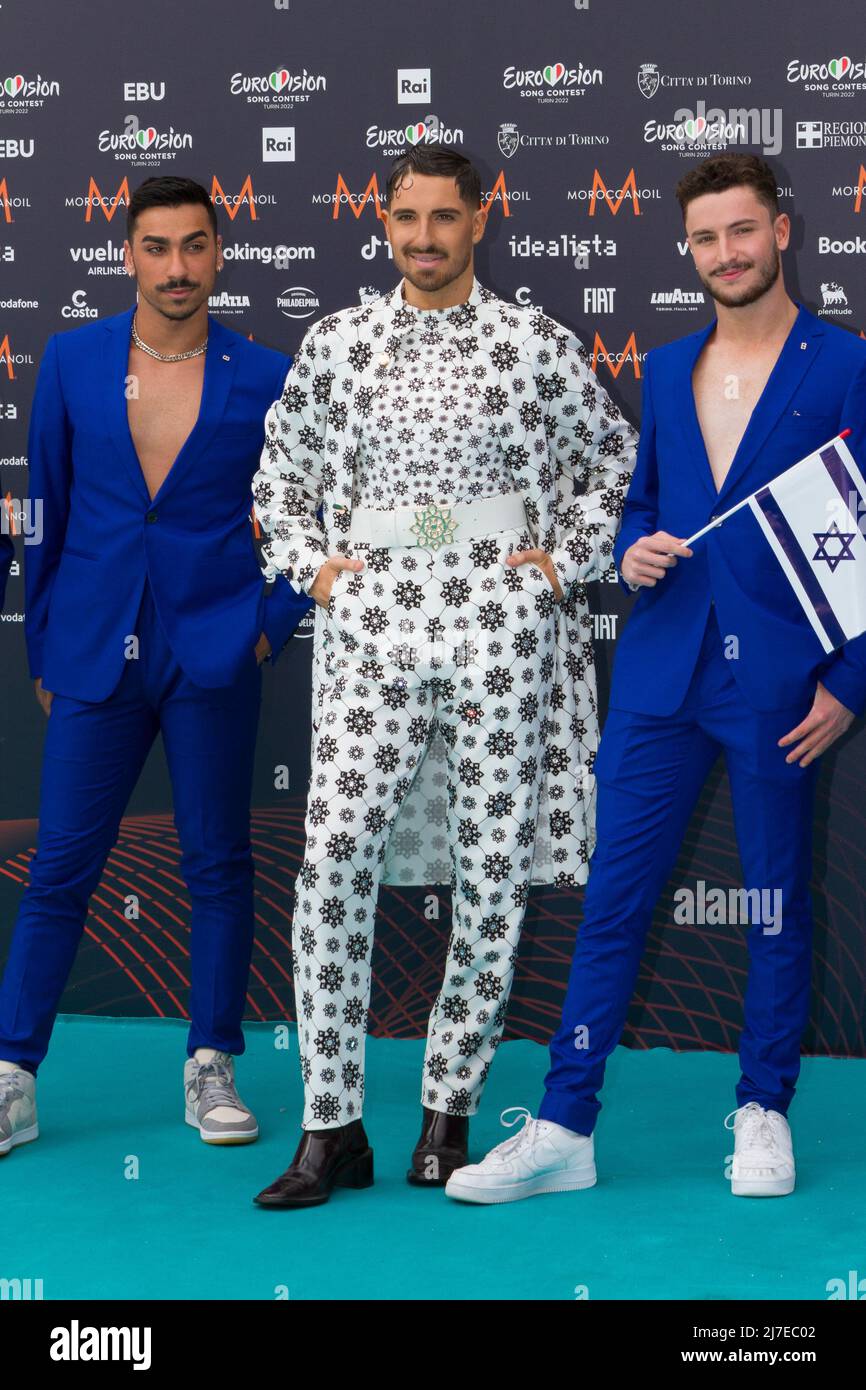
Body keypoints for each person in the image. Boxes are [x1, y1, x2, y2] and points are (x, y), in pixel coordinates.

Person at [445, 152, 866, 1205]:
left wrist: (851, 679)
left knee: (773, 898)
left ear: (780, 232)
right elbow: (642, 505)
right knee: (612, 904)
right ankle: (562, 1124)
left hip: (777, 678)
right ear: (688, 251)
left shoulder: (842, 365)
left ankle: (762, 1108)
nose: (723, 254)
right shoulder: (670, 365)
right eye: (703, 239)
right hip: (658, 671)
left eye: (739, 232)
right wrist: (628, 549)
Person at [250, 144, 637, 1208]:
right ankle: (331, 1125)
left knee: (489, 867)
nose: (423, 238)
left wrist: (562, 560)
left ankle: (447, 1113)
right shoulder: (339, 343)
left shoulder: (530, 342)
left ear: (480, 220)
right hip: (370, 622)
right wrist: (313, 570)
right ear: (384, 222)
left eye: (443, 218)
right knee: (329, 857)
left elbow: (612, 455)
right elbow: (277, 474)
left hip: (496, 624)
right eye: (406, 218)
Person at [0, 176, 311, 1159]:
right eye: (157, 247)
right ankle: (12, 1073)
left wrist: (267, 624)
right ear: (127, 255)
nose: (177, 267)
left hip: (212, 650)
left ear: (219, 253)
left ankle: (211, 1061)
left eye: (194, 246)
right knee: (59, 870)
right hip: (93, 648)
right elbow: (43, 504)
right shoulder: (73, 360)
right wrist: (42, 640)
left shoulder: (265, 374)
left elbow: (316, 519)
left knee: (218, 862)